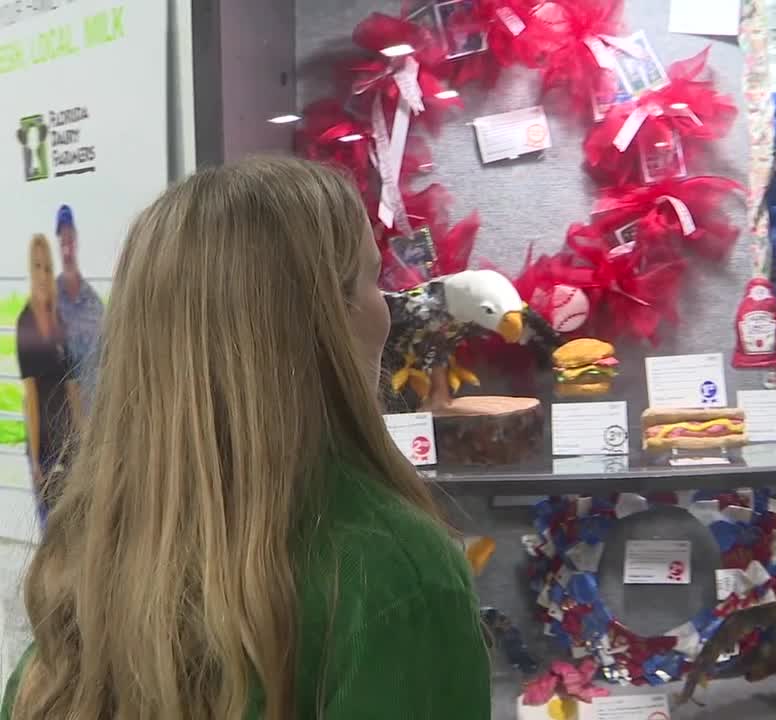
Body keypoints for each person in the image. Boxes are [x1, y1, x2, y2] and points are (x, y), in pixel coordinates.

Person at [0, 158, 491, 719]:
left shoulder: (87, 560)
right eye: (373, 279)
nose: (389, 308)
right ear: (327, 320)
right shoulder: (394, 572)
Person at [15, 234, 80, 525]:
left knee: (73, 523)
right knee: (49, 527)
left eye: (47, 267)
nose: (42, 274)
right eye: (37, 266)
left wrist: (87, 439)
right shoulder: (25, 323)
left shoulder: (60, 321)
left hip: (66, 439)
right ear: (31, 270)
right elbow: (30, 395)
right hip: (43, 443)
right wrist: (37, 458)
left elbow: (73, 386)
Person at [53, 204, 104, 408]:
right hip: (59, 423)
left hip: (93, 421)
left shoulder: (95, 305)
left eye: (70, 240)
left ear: (77, 241)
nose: (67, 249)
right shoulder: (48, 304)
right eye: (62, 242)